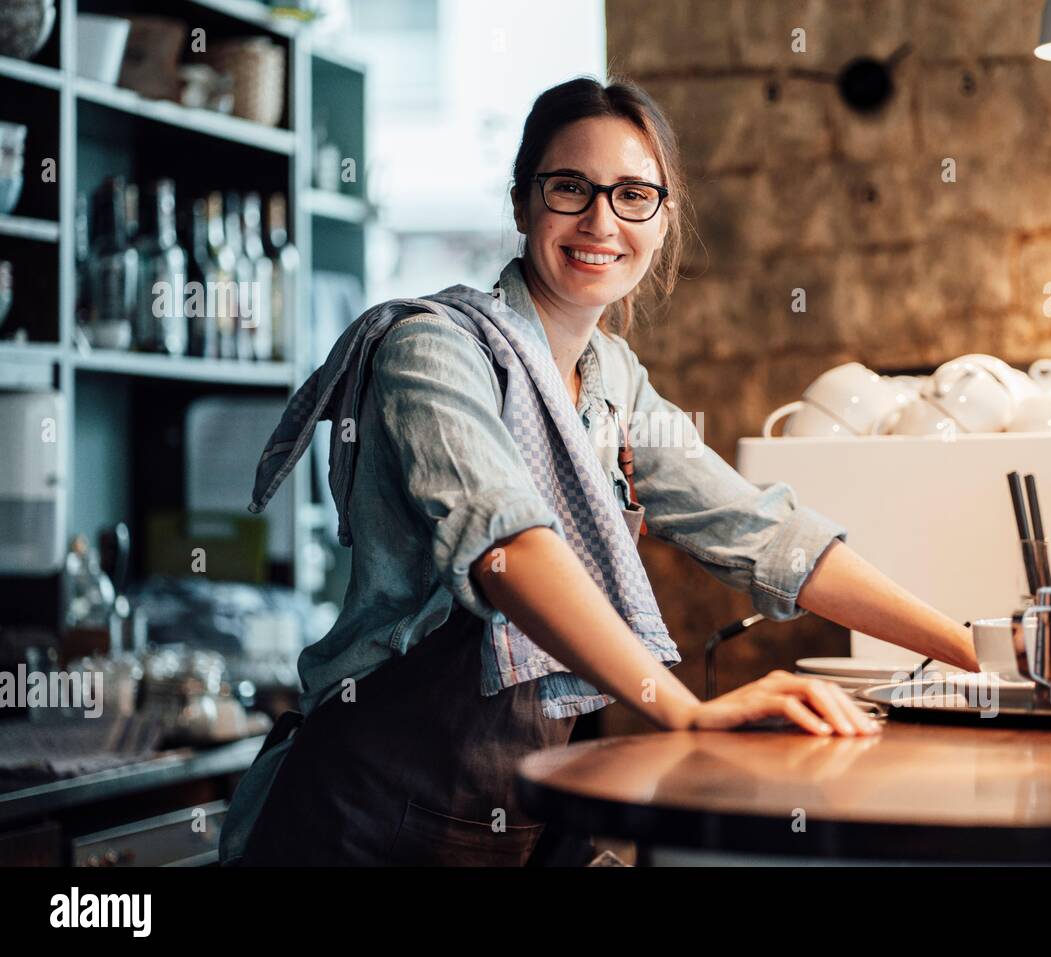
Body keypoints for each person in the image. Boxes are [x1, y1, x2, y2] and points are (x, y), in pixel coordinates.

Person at [223, 75, 983, 868]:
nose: (600, 221)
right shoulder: (434, 349)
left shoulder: (612, 380)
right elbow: (509, 547)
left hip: (523, 811)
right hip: (365, 819)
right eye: (569, 189)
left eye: (632, 195)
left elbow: (761, 531)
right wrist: (684, 712)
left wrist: (979, 652)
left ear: (662, 220)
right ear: (522, 205)